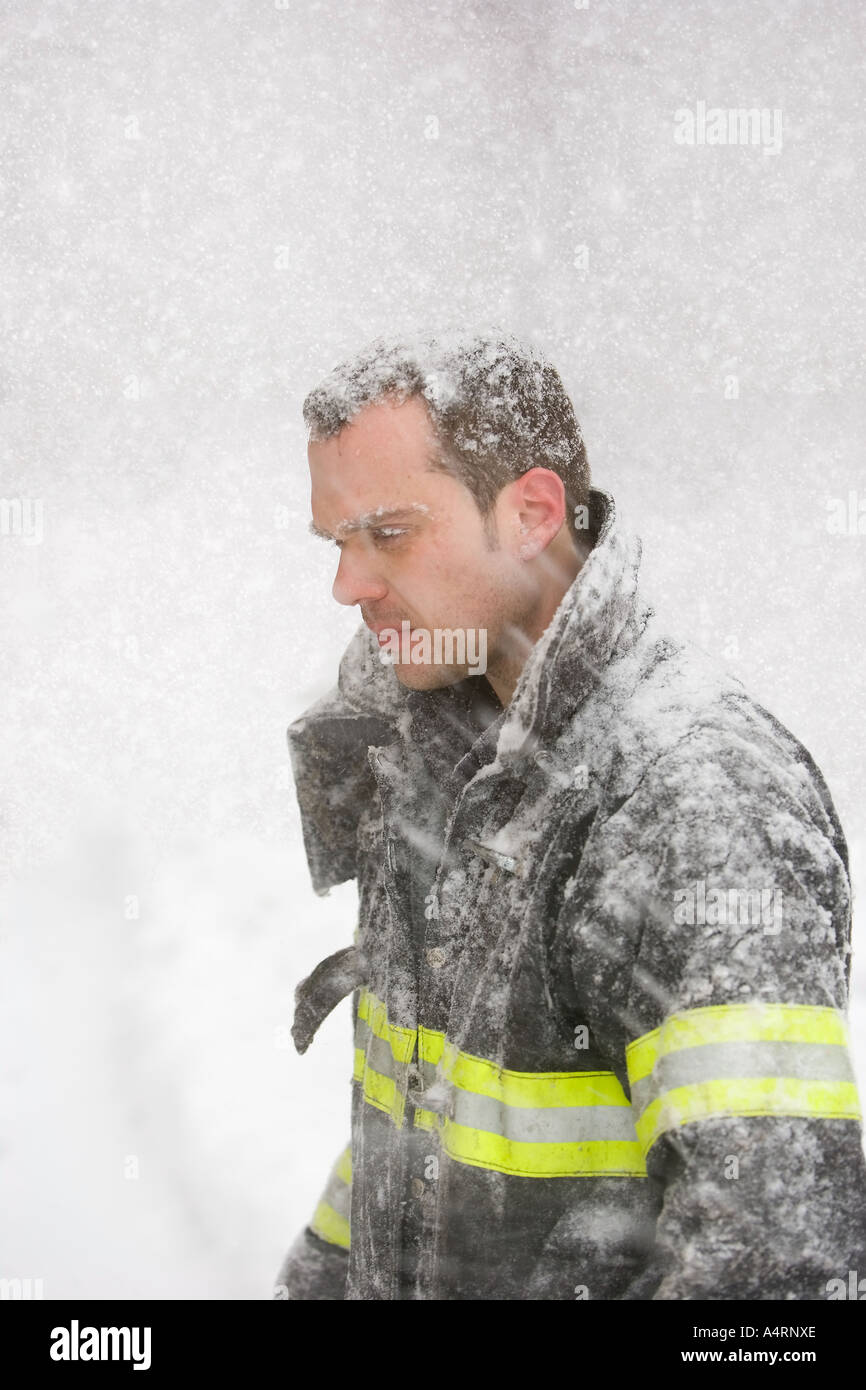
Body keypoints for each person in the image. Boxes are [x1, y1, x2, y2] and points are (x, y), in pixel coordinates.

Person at [274, 329, 866, 1300]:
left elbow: (774, 1281)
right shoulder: (428, 747)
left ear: (532, 513)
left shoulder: (689, 792)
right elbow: (415, 1136)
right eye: (337, 542)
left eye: (387, 532)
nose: (348, 584)